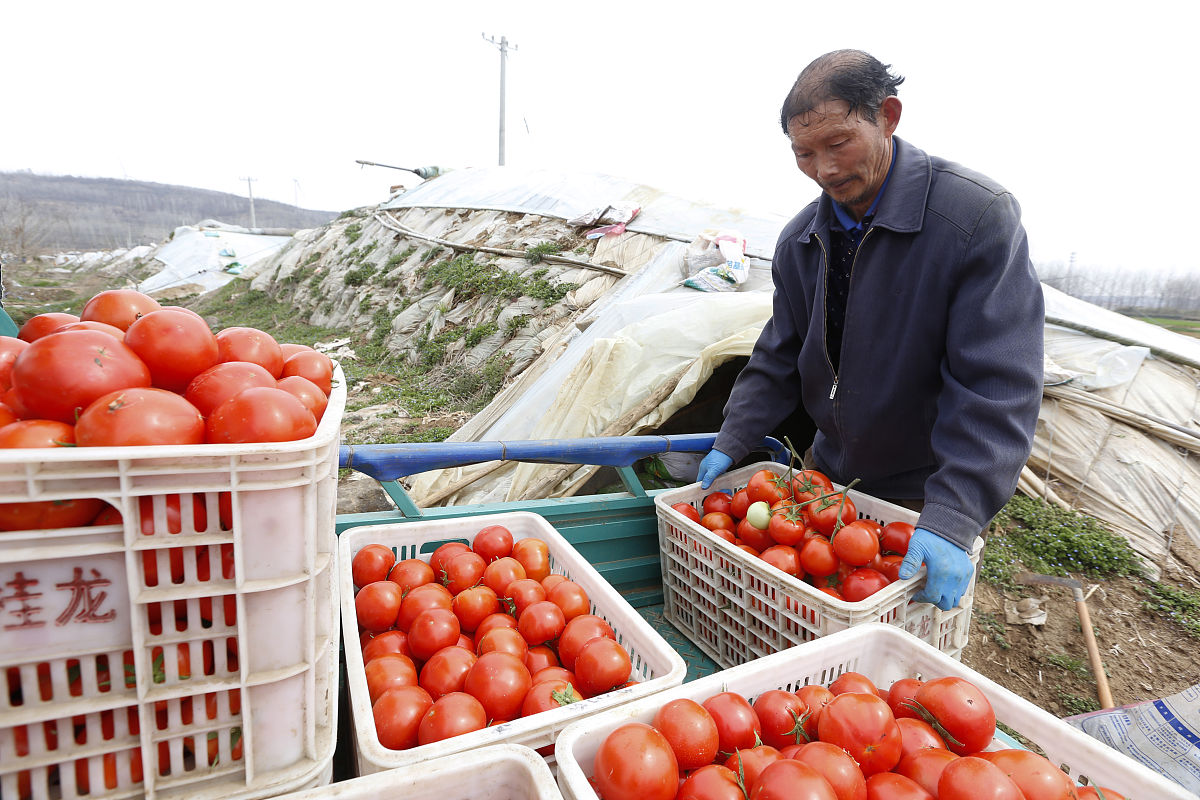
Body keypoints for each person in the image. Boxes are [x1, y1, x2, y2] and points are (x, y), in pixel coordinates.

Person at [698, 50, 1044, 611]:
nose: (825, 169)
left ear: (888, 116)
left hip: (922, 491)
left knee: (905, 639)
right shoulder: (800, 242)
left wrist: (955, 510)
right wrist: (733, 437)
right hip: (826, 480)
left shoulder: (972, 219)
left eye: (838, 144)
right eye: (804, 154)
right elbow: (780, 355)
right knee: (812, 616)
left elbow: (997, 380)